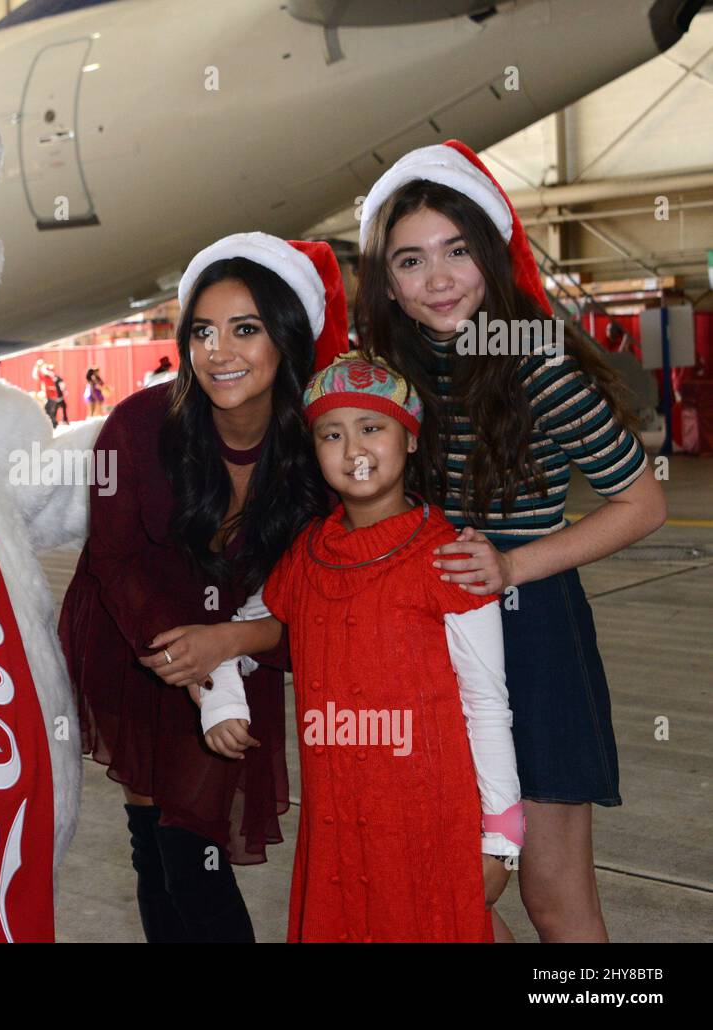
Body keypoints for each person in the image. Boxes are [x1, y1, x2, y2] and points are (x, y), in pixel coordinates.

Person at [353, 139, 667, 941]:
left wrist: (511, 564)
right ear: (387, 282)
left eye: (457, 251)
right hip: (437, 637)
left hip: (534, 635)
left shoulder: (540, 367)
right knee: (453, 887)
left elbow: (642, 503)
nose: (440, 278)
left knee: (553, 897)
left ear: (490, 253)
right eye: (412, 261)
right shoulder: (401, 368)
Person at [58, 233, 342, 941]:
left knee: (192, 848)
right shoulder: (136, 425)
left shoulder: (316, 448)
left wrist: (228, 646)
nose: (220, 351)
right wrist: (186, 662)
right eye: (203, 331)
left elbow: (317, 595)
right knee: (153, 836)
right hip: (133, 640)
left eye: (245, 329)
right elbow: (114, 560)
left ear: (287, 339)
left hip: (237, 648)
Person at [197, 351, 523, 942]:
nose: (354, 450)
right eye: (332, 434)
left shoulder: (450, 559)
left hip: (430, 819)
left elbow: (487, 704)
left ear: (411, 438)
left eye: (372, 428)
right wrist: (221, 697)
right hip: (338, 827)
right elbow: (236, 630)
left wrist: (502, 837)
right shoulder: (307, 556)